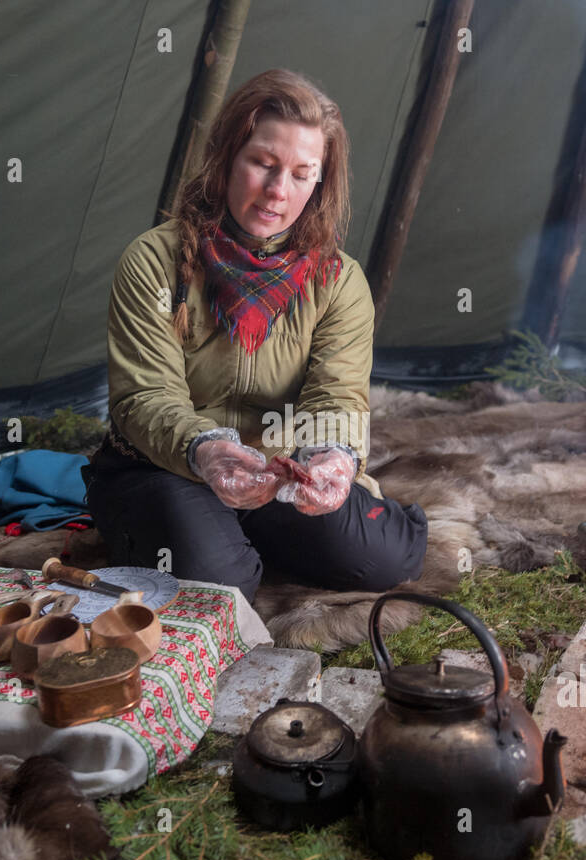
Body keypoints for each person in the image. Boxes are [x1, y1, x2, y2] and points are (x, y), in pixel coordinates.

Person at [84, 69, 427, 603]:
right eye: (263, 164)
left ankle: (244, 528)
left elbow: (337, 395)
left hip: (278, 469)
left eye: (300, 173)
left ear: (321, 180)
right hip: (167, 465)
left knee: (385, 559)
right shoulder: (154, 262)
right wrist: (207, 451)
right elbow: (145, 397)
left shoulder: (338, 280)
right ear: (226, 157)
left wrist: (333, 457)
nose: (276, 191)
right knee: (215, 579)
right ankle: (206, 534)